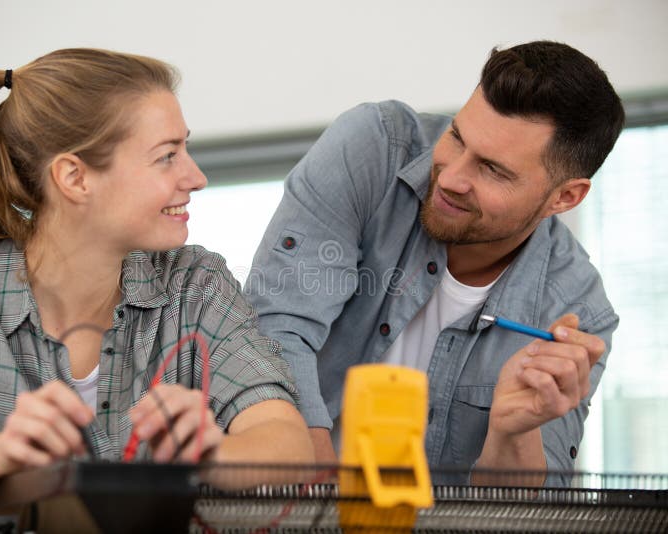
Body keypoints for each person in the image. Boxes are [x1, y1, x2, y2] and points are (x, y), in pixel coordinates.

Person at [0, 48, 313, 531]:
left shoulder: (196, 285)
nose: (195, 177)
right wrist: (1, 452)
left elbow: (286, 445)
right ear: (75, 177)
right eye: (166, 157)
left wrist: (212, 455)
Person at [245, 41, 623, 486]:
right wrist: (323, 504)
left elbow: (530, 513)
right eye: (457, 137)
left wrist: (513, 434)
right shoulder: (374, 147)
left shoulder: (578, 316)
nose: (450, 177)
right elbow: (276, 326)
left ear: (565, 197)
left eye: (493, 170)